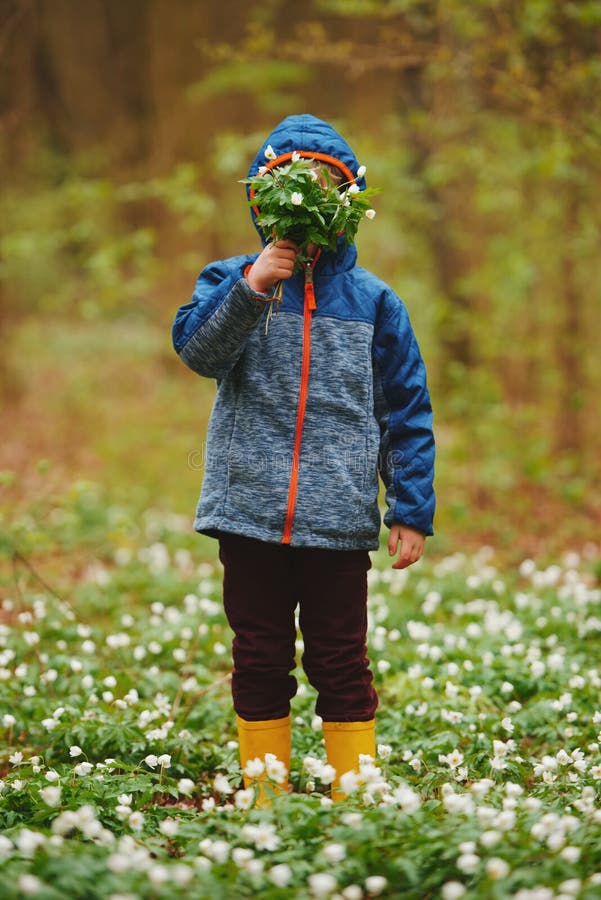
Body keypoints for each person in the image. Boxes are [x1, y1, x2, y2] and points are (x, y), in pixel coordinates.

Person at [172, 114, 435, 803]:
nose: (309, 197)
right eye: (292, 184)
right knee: (258, 655)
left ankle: (355, 793)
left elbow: (404, 413)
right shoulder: (231, 279)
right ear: (262, 197)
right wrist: (252, 287)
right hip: (247, 509)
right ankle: (268, 798)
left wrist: (409, 508)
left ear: (348, 201)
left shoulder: (376, 303)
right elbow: (198, 354)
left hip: (338, 515)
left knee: (341, 659)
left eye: (328, 184)